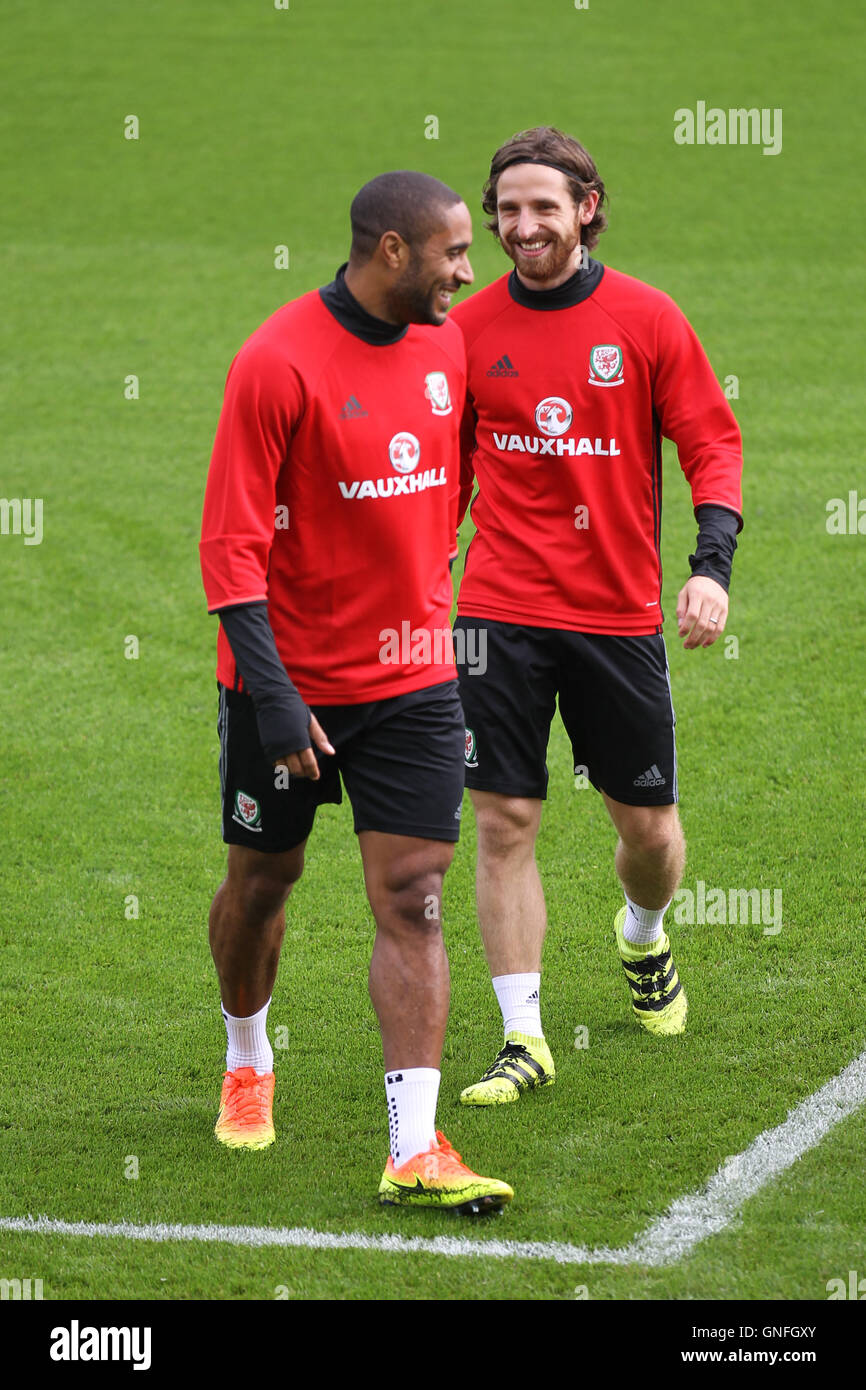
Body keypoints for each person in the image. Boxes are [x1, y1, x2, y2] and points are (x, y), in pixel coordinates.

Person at [199, 170, 512, 1211]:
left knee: (413, 899)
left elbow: (455, 471)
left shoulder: (447, 343)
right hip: (284, 683)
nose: (470, 272)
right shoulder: (275, 361)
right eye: (453, 253)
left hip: (415, 679)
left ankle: (412, 1148)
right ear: (390, 251)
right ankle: (248, 1054)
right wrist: (276, 697)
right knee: (262, 884)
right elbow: (230, 547)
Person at [450, 128, 743, 1105]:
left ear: (585, 205)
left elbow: (710, 442)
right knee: (504, 818)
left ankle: (642, 935)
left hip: (615, 616)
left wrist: (709, 568)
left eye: (542, 206)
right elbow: (440, 473)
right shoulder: (464, 327)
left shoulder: (645, 318)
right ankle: (522, 1032)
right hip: (494, 611)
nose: (522, 225)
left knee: (648, 829)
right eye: (506, 208)